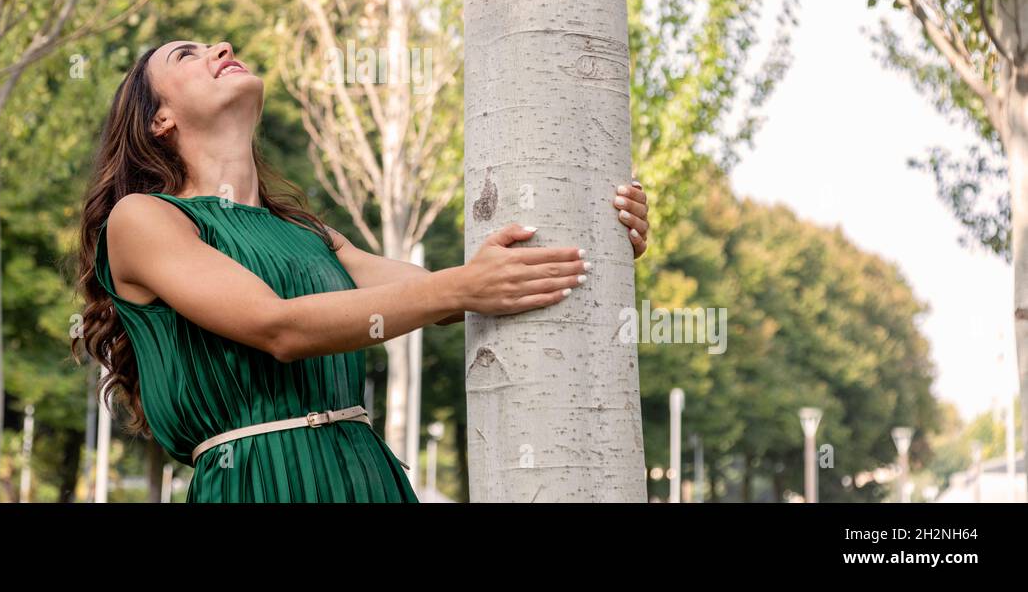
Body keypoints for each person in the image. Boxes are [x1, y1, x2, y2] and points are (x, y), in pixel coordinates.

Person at [72, 39, 652, 502]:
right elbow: (281, 328)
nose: (219, 48)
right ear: (159, 121)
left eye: (213, 45)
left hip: (369, 479)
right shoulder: (141, 220)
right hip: (259, 485)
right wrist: (465, 284)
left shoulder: (315, 237)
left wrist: (596, 236)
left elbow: (452, 296)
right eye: (186, 55)